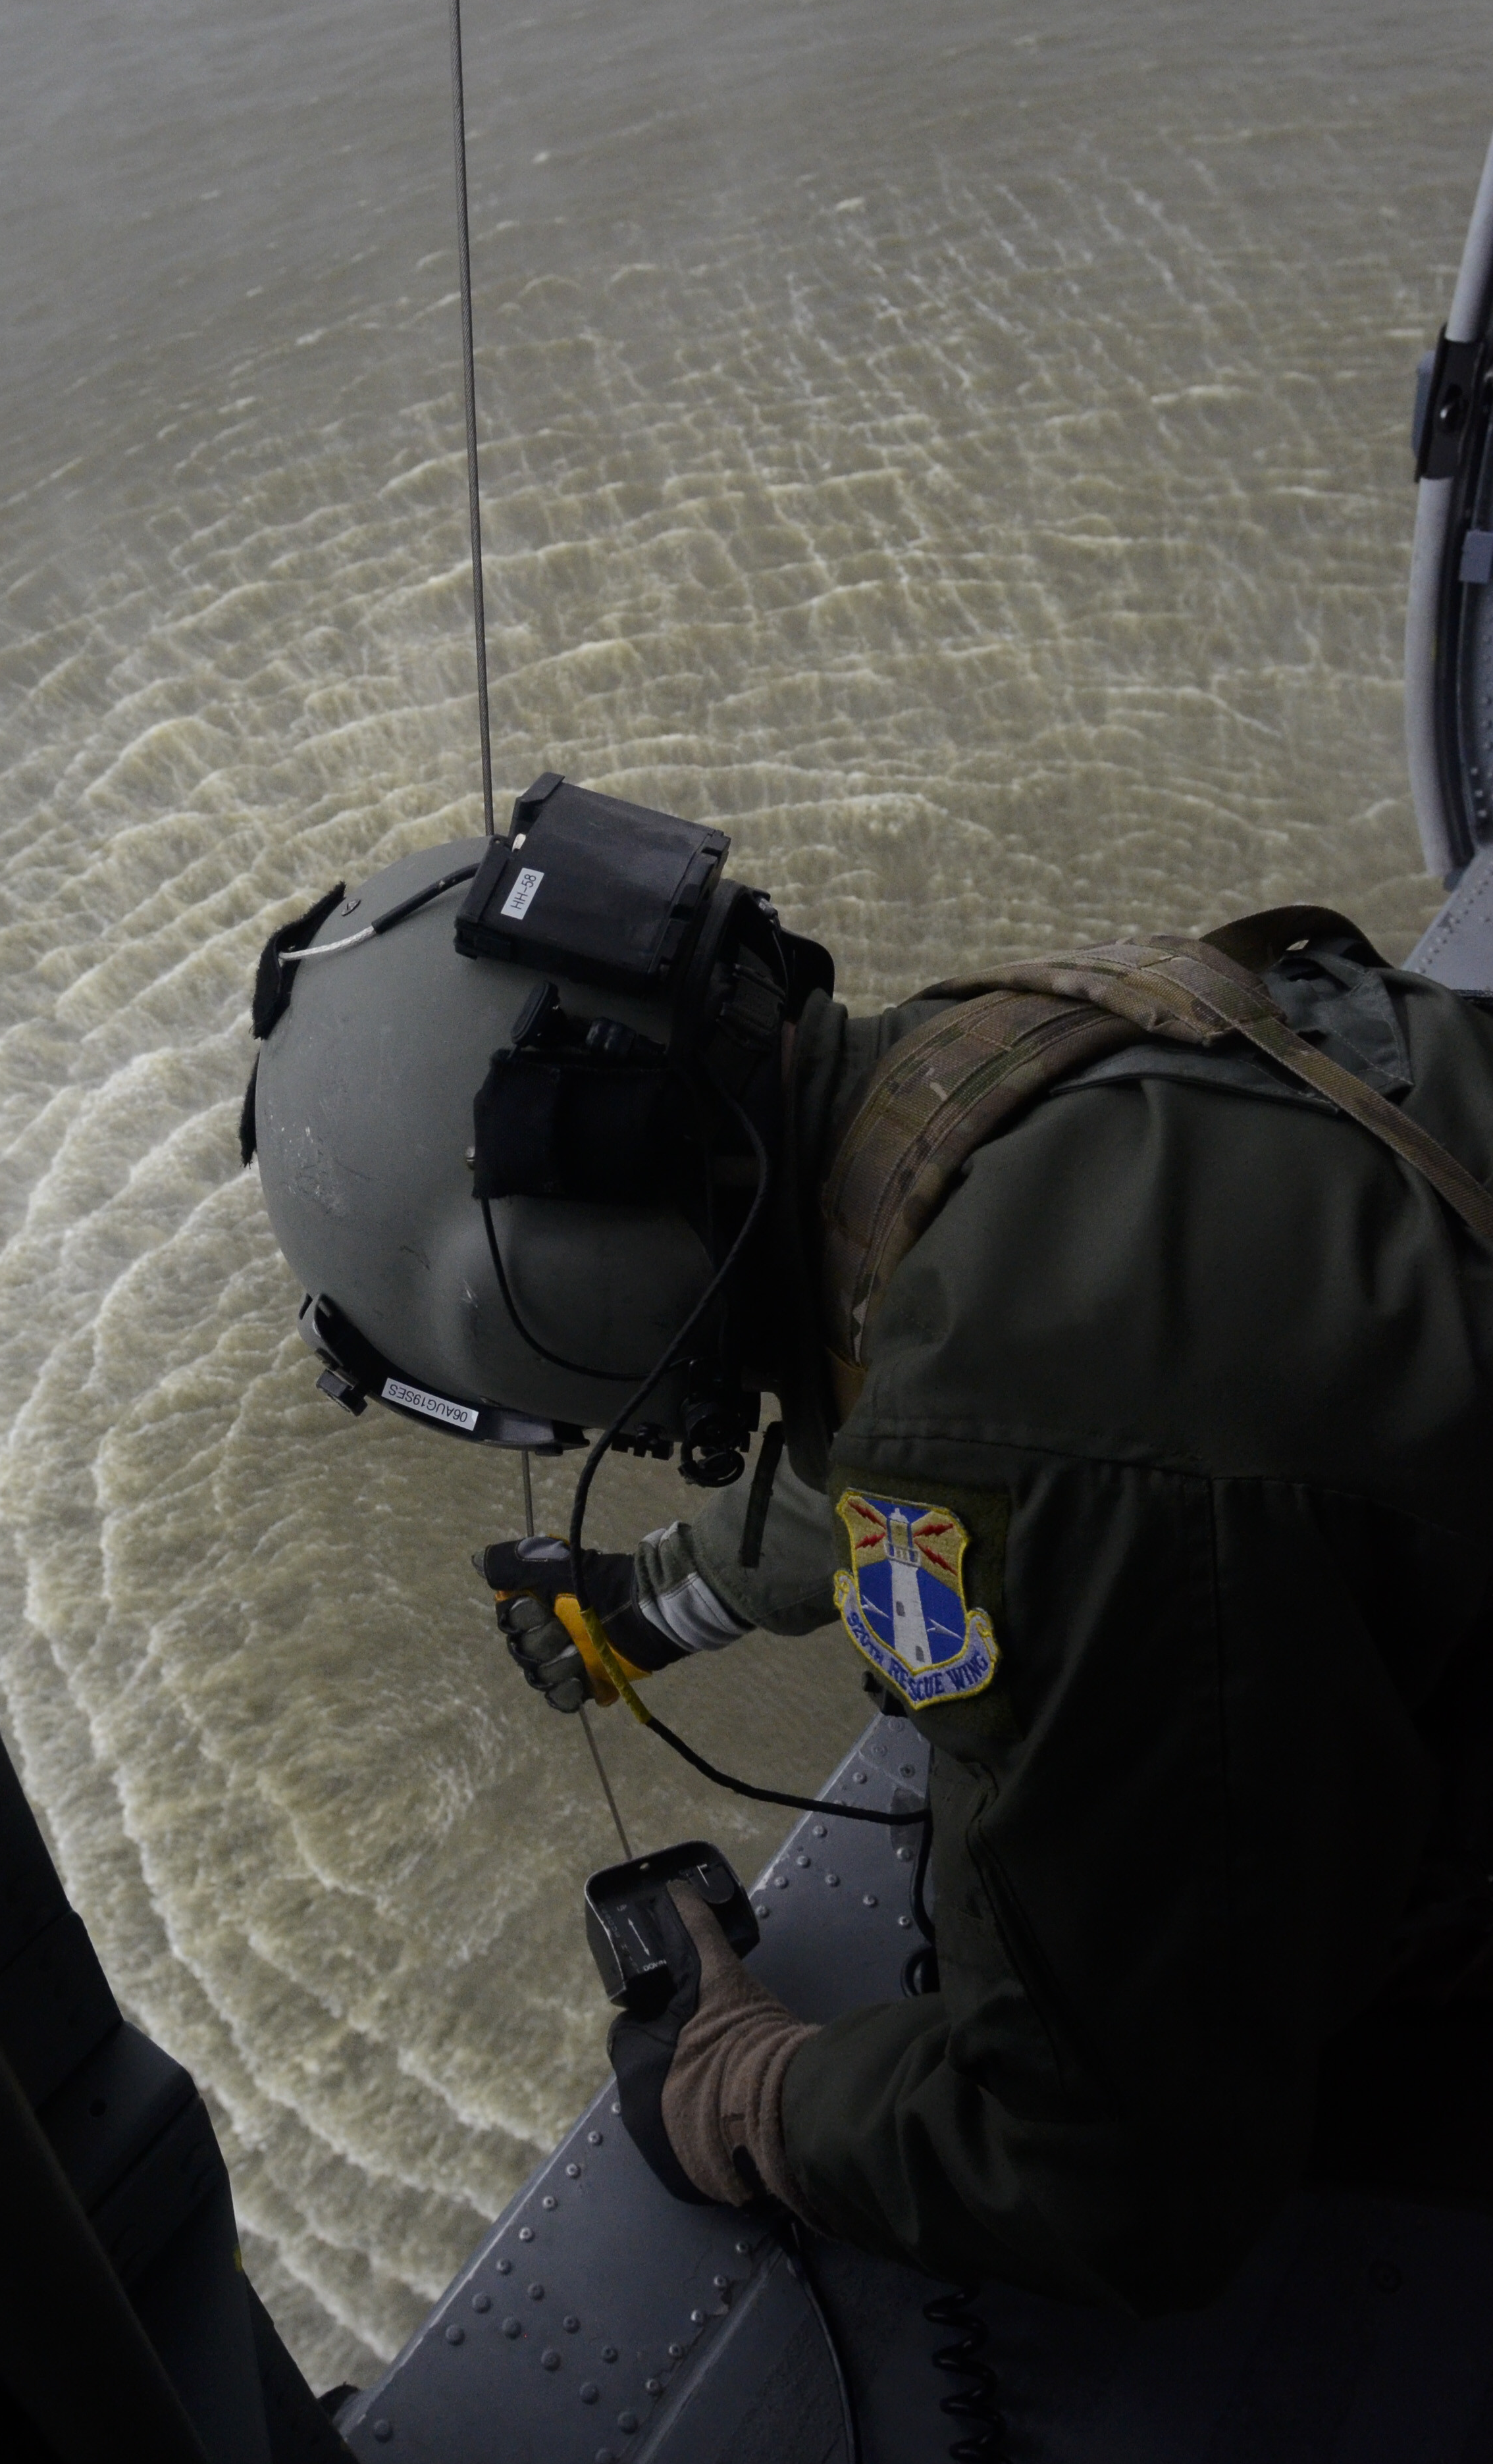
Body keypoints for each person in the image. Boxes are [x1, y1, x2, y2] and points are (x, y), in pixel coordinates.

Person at [242, 777, 1493, 2313]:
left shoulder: (1004, 1442)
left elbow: (1101, 2170)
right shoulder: (1025, 1043)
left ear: (561, 1323)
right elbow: (929, 1426)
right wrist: (646, 1604)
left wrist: (744, 2090)